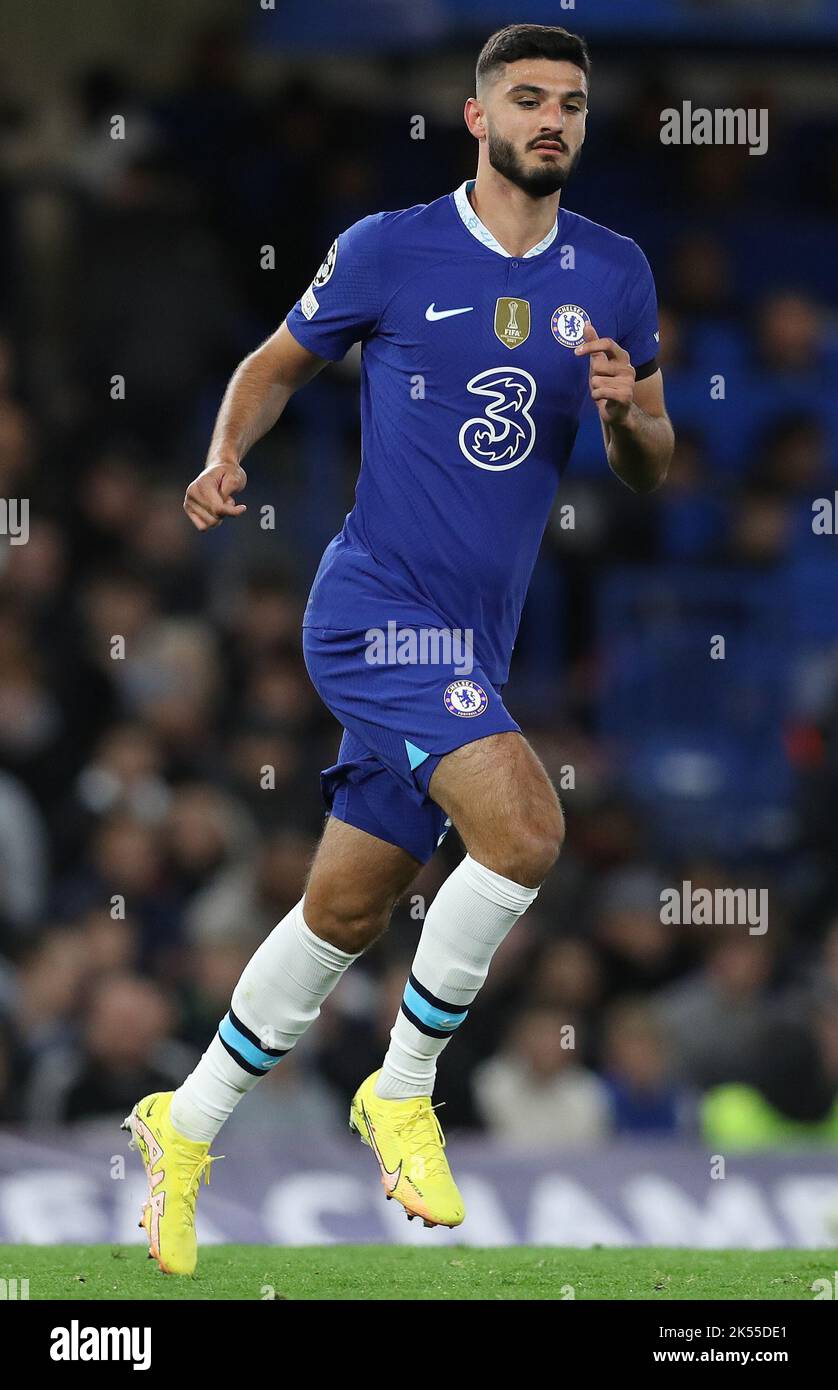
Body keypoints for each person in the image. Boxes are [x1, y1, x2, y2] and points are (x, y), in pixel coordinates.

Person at [124, 22, 673, 1275]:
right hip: (373, 607)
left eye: (572, 104)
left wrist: (627, 412)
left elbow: (650, 462)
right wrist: (225, 454)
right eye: (526, 99)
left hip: (473, 640)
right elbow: (274, 364)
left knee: (348, 907)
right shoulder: (390, 247)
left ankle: (184, 1124)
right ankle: (405, 1088)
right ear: (475, 118)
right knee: (528, 830)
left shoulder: (619, 273)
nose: (552, 120)